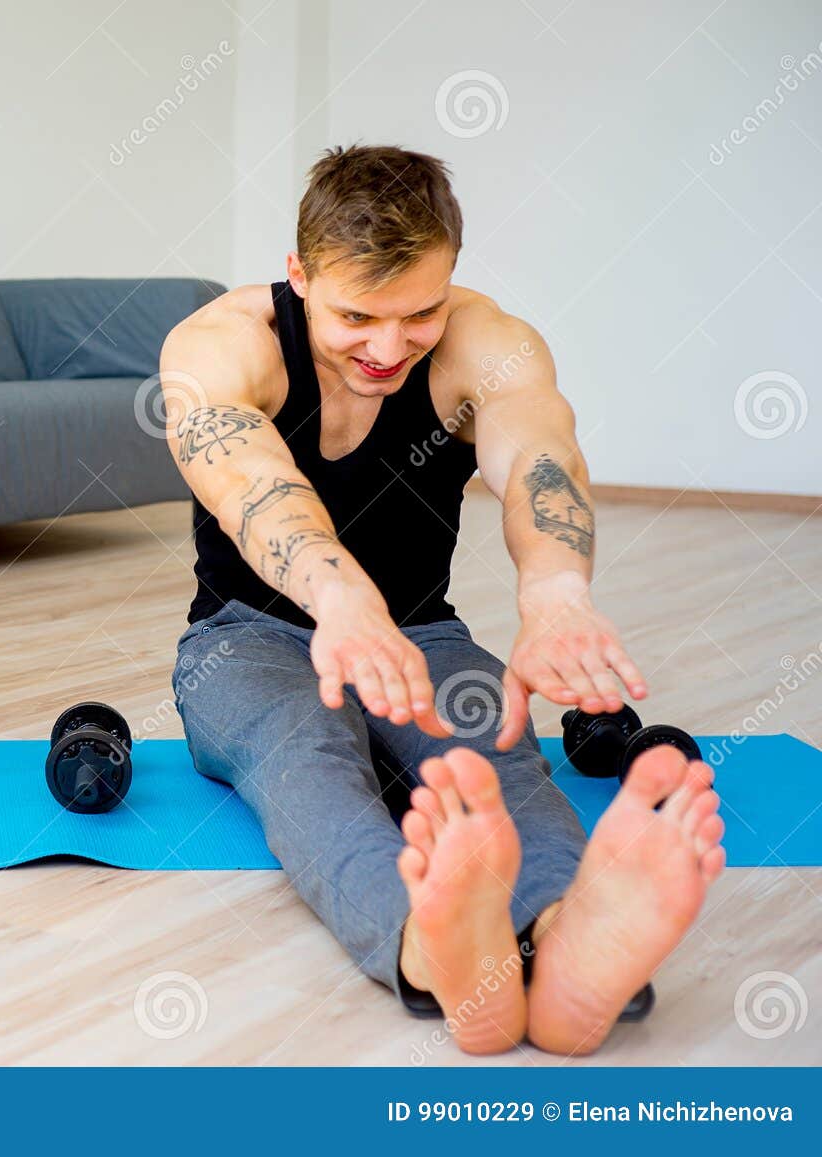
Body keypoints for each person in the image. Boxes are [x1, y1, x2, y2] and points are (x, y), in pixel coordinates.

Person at [162, 145, 725, 1056]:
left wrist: (555, 596)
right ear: (300, 274)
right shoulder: (219, 344)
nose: (388, 349)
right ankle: (430, 948)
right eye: (356, 316)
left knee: (493, 749)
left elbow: (538, 456)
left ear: (451, 275)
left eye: (419, 313)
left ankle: (565, 931)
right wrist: (341, 599)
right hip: (247, 639)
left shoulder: (489, 344)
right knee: (304, 751)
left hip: (423, 632)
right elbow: (248, 482)